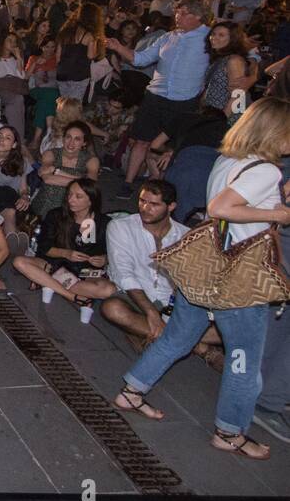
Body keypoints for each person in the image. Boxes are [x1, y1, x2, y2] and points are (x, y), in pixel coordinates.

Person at [114, 97, 290, 461]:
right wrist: (281, 215)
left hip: (206, 269)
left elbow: (227, 209)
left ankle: (131, 391)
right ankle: (230, 431)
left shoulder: (229, 158)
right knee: (243, 359)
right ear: (276, 133)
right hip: (239, 279)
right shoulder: (266, 170)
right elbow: (221, 208)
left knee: (178, 336)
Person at [99, 179, 224, 366]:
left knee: (226, 328)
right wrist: (151, 312)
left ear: (171, 206)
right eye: (142, 201)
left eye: (154, 204)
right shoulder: (120, 226)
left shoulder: (186, 235)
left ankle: (151, 334)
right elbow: (124, 274)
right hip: (136, 298)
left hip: (173, 305)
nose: (145, 208)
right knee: (112, 309)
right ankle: (199, 347)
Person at [106, 0, 210, 189]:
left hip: (184, 100)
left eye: (183, 13)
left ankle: (162, 186)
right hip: (155, 96)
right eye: (177, 12)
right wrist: (118, 47)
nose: (177, 16)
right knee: (142, 140)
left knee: (172, 147)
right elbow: (140, 59)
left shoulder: (209, 38)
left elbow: (233, 51)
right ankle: (128, 182)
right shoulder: (168, 37)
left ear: (198, 16)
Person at [12, 177, 113, 314]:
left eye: (78, 197)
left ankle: (47, 282)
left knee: (108, 290)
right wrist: (66, 253)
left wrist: (104, 259)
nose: (71, 200)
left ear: (91, 200)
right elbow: (44, 247)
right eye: (69, 194)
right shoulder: (56, 215)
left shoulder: (105, 223)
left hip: (84, 272)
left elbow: (114, 254)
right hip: (55, 265)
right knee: (19, 262)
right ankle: (71, 295)